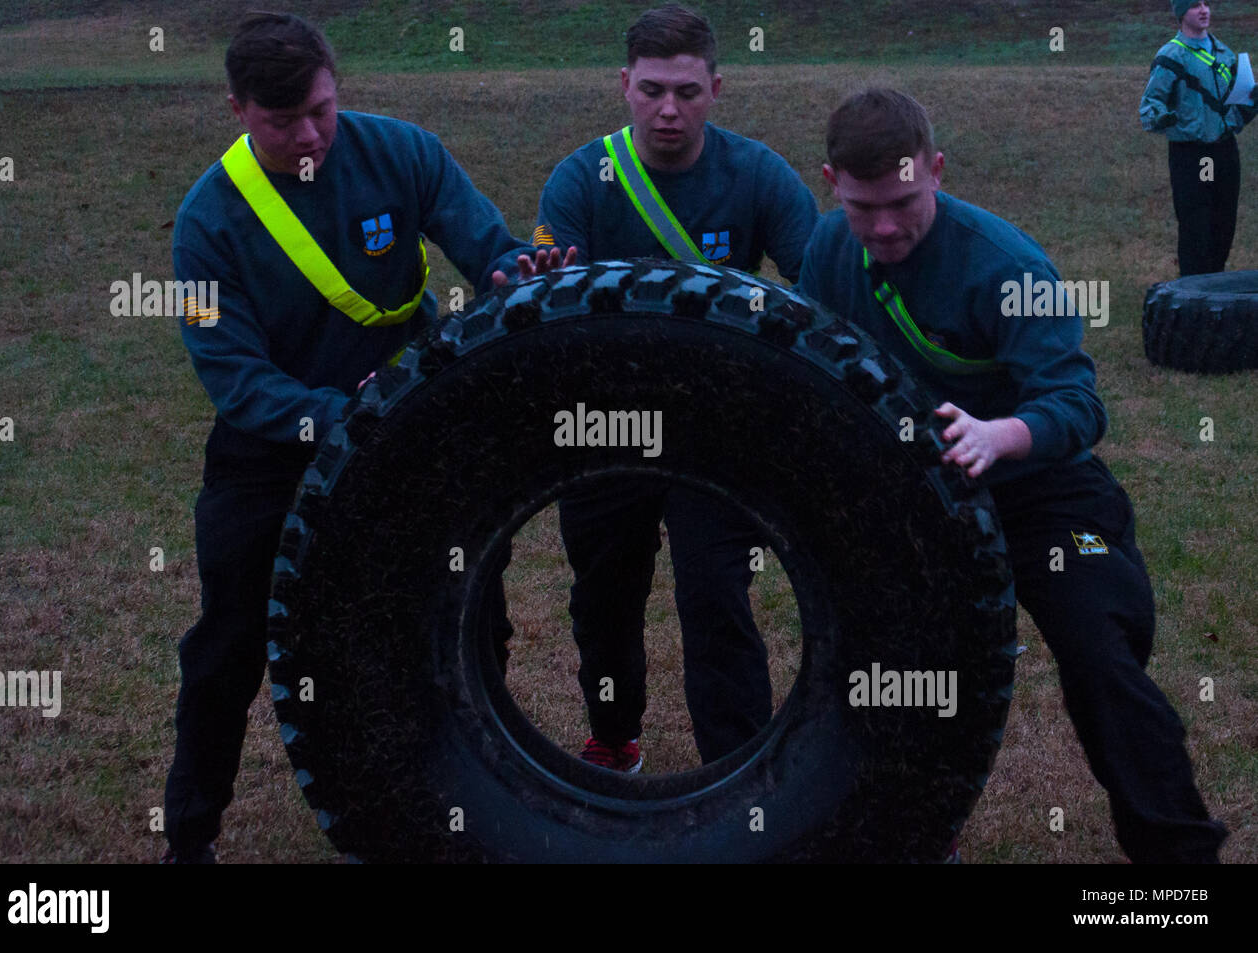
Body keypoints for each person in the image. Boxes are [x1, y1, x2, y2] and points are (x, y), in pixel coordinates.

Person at [163, 11, 571, 863]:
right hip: (270, 456)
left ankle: (468, 801)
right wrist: (334, 416)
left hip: (409, 431)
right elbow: (235, 379)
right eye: (283, 122)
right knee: (227, 650)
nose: (310, 134)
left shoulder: (403, 152)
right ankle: (190, 835)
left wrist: (514, 273)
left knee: (468, 621)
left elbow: (487, 251)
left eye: (321, 107)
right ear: (236, 109)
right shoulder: (205, 225)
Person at [795, 88, 1227, 863]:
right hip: (915, 502)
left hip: (1042, 494)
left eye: (902, 201)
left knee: (1103, 660)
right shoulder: (827, 252)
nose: (884, 226)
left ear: (936, 167)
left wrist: (1002, 436)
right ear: (831, 180)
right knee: (888, 676)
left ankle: (1182, 865)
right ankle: (909, 837)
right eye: (864, 208)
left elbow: (1076, 403)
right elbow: (811, 377)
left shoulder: (1005, 263)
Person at [532, 3, 820, 770]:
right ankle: (613, 736)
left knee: (716, 594)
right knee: (603, 594)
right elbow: (550, 309)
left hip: (716, 423)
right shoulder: (579, 179)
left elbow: (820, 287)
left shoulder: (756, 173)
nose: (669, 109)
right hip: (603, 423)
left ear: (716, 89)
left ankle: (740, 769)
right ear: (624, 85)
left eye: (687, 92)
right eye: (653, 88)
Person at [1140, 1, 1257, 275]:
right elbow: (1150, 104)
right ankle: (1191, 293)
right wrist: (1163, 117)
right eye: (1194, 6)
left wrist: (1251, 104)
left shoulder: (1225, 54)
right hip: (1192, 155)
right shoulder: (1171, 56)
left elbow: (1233, 109)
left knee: (1224, 223)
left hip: (1225, 151)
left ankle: (1215, 290)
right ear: (1182, 14)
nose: (1203, 10)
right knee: (1196, 226)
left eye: (1206, 4)